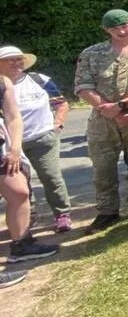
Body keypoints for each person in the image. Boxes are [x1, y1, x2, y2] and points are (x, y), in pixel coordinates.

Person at [74, 9, 128, 234]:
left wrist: (122, 106)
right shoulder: (92, 53)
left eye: (126, 25)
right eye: (115, 28)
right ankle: (107, 211)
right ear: (106, 30)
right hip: (103, 120)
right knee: (103, 166)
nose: (122, 30)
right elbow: (83, 86)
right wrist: (111, 110)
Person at [0, 46, 73, 232]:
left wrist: (57, 125)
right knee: (20, 183)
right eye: (10, 60)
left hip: (42, 138)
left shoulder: (38, 80)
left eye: (19, 59)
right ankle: (28, 218)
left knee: (51, 176)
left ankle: (62, 215)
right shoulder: (1, 86)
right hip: (9, 145)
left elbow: (61, 103)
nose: (16, 63)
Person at [1, 74, 58, 265]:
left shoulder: (3, 81)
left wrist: (14, 149)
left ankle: (21, 245)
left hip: (3, 148)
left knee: (19, 192)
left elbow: (13, 116)